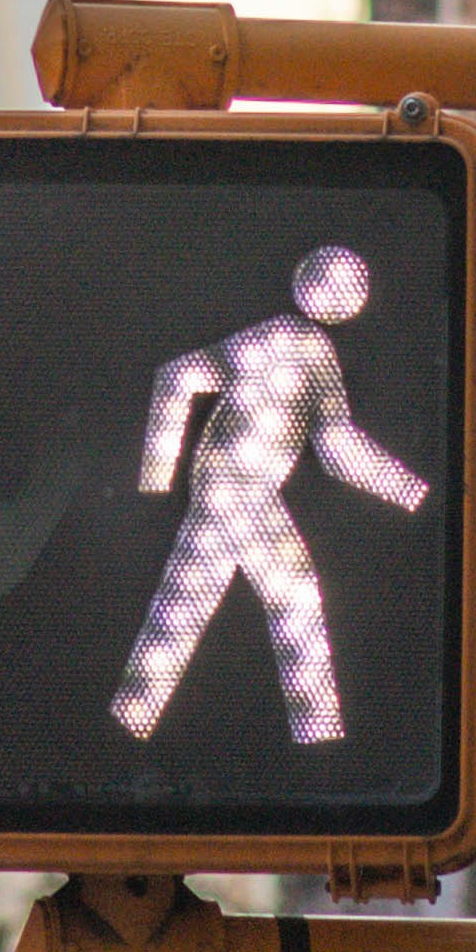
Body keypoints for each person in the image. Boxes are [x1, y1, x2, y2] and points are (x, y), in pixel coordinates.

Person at [110, 246, 428, 748]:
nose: (345, 297)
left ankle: (127, 726)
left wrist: (407, 491)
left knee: (190, 609)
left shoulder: (302, 346)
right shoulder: (282, 340)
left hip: (237, 489)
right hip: (236, 489)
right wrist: (154, 476)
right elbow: (179, 376)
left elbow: (334, 445)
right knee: (286, 603)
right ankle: (319, 744)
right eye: (340, 286)